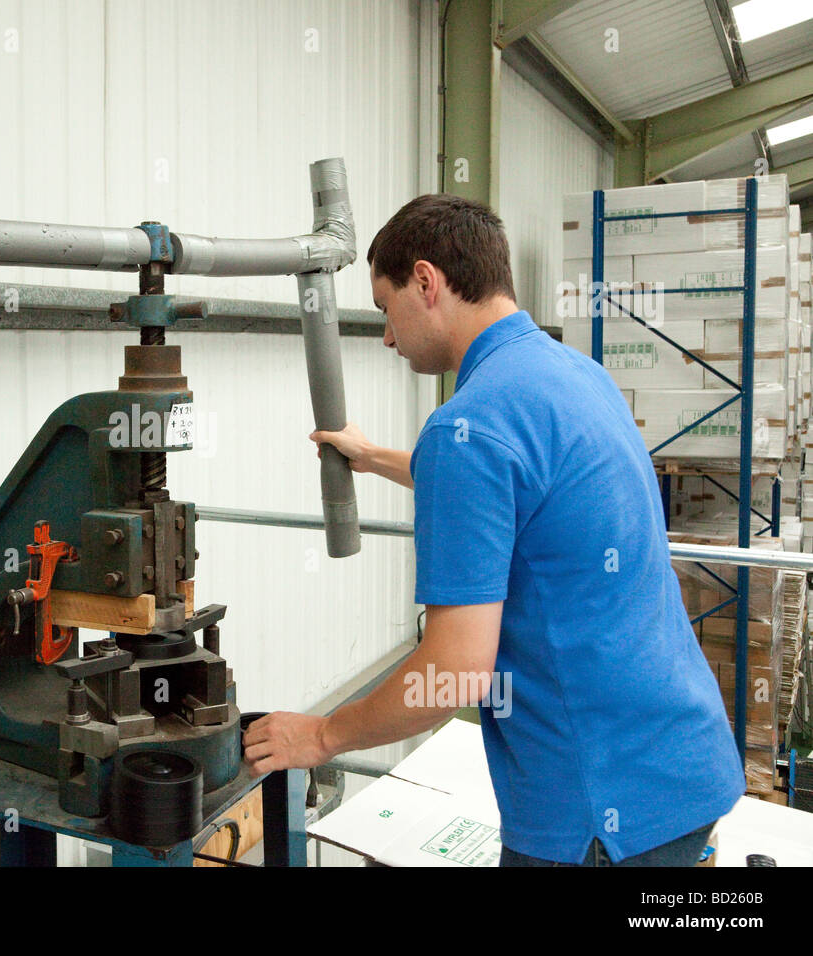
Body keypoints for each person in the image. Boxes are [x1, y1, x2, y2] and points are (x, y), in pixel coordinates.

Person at [241, 193, 745, 866]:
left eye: (386, 309)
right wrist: (375, 458)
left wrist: (323, 735)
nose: (388, 336)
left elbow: (451, 677)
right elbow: (518, 488)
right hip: (681, 767)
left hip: (595, 814)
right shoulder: (576, 376)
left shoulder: (465, 430)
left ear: (427, 282)